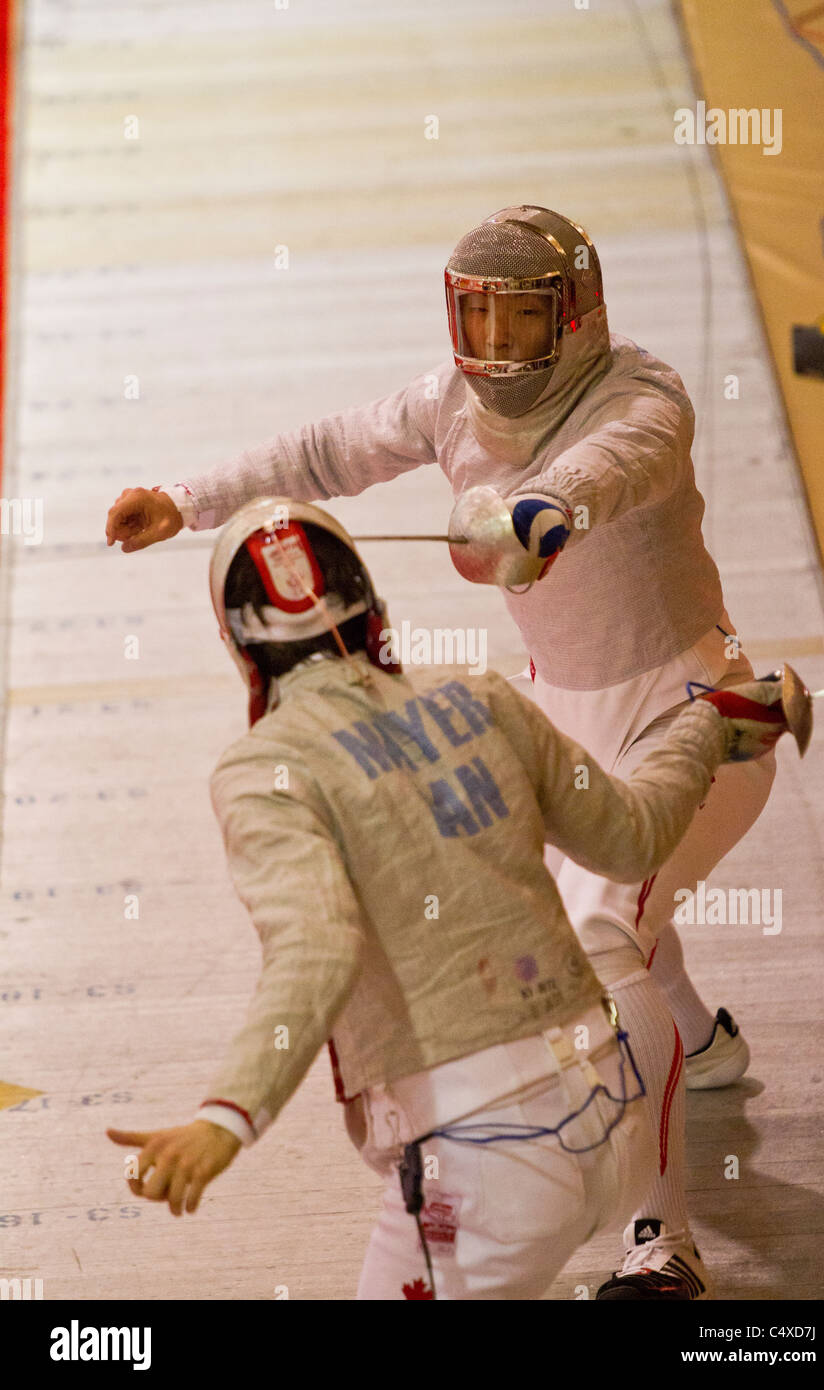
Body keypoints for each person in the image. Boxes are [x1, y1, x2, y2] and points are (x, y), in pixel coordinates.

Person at [104, 204, 776, 1297]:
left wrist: (537, 507)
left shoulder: (642, 400)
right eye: (480, 322)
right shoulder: (446, 401)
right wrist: (185, 501)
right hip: (569, 716)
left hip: (697, 710)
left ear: (580, 316)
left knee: (600, 934)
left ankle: (660, 1244)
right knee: (604, 903)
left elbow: (614, 466)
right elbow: (319, 450)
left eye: (523, 324)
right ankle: (698, 1047)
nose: (497, 351)